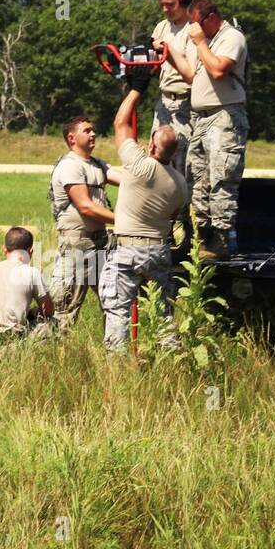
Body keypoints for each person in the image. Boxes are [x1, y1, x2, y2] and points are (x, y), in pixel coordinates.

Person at [98, 81, 189, 352]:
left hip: (128, 249)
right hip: (159, 250)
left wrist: (136, 89)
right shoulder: (181, 183)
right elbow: (173, 215)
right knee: (164, 314)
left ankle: (117, 364)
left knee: (117, 310)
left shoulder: (140, 166)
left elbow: (120, 124)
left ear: (151, 146)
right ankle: (171, 357)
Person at [185, 0, 250, 262]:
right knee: (197, 179)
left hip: (225, 116)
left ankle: (220, 241)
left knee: (221, 178)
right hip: (201, 118)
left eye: (197, 24)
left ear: (211, 17)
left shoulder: (231, 37)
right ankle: (201, 237)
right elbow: (192, 74)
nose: (194, 31)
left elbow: (219, 70)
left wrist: (200, 42)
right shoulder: (206, 41)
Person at [48, 116, 122, 331]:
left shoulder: (97, 164)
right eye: (87, 131)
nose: (93, 134)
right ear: (71, 138)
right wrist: (124, 220)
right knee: (65, 308)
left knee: (113, 301)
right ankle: (53, 355)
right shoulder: (69, 166)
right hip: (77, 245)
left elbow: (128, 181)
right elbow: (86, 207)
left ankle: (115, 351)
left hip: (100, 243)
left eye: (93, 130)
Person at [0, 226, 54, 340]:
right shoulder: (32, 273)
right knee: (51, 324)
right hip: (7, 341)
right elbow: (48, 310)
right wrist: (31, 313)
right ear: (30, 251)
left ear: (4, 249)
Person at [150, 0, 198, 178]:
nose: (165, 10)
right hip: (164, 101)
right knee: (155, 158)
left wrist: (168, 52)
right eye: (161, 5)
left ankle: (182, 209)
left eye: (170, 5)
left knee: (181, 164)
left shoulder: (194, 29)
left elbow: (191, 75)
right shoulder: (162, 26)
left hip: (185, 104)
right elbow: (154, 65)